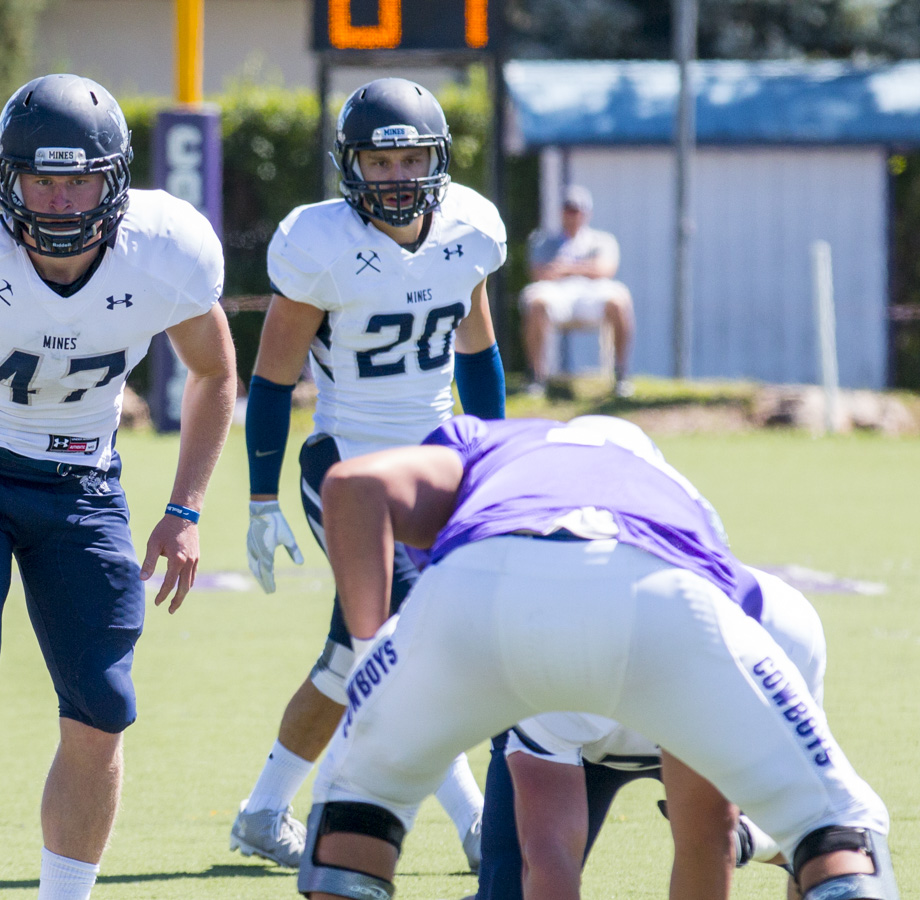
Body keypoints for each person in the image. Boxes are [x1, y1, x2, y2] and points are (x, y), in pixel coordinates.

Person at [0, 73, 236, 900]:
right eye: (41, 179)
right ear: (5, 178)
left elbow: (213, 373)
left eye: (80, 179)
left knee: (102, 706)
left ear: (117, 179)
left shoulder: (166, 252)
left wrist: (185, 508)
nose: (60, 202)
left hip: (84, 482)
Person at [297, 414, 896, 900]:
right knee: (836, 826)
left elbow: (353, 485)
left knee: (357, 810)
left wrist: (376, 657)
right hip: (663, 596)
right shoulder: (677, 497)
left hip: (480, 598)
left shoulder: (490, 443)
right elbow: (705, 836)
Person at [232, 77, 506, 871]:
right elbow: (273, 379)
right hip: (347, 461)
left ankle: (261, 810)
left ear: (437, 161)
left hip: (439, 458)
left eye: (411, 159)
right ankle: (477, 822)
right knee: (402, 634)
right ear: (350, 167)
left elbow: (478, 352)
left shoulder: (468, 231)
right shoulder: (318, 245)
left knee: (358, 656)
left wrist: (487, 453)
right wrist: (260, 497)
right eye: (379, 164)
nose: (396, 178)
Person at [476, 564, 827, 900]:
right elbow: (549, 857)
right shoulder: (557, 661)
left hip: (706, 724)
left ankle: (747, 837)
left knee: (822, 849)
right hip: (578, 735)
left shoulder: (785, 626)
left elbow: (810, 821)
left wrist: (751, 838)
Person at [519, 185, 635, 398]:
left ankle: (621, 374)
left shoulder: (602, 240)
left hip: (591, 292)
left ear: (587, 213)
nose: (572, 215)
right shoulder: (543, 240)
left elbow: (605, 269)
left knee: (619, 300)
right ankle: (536, 376)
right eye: (568, 209)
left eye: (577, 210)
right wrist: (583, 267)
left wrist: (567, 267)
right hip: (557, 292)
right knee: (536, 302)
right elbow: (538, 272)